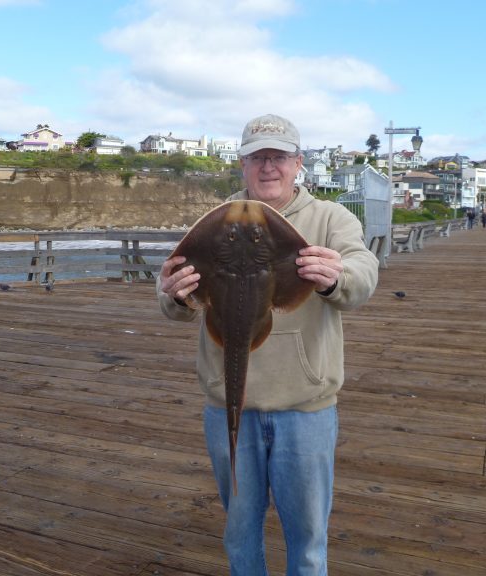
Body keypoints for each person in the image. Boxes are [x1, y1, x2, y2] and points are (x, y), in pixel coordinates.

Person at [157, 113, 379, 575]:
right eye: (258, 158)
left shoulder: (329, 218)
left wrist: (338, 276)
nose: (268, 167)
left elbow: (362, 273)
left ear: (298, 163)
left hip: (306, 406)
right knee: (239, 531)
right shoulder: (214, 220)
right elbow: (177, 294)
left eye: (278, 157)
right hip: (227, 405)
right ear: (243, 165)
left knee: (308, 538)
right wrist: (172, 293)